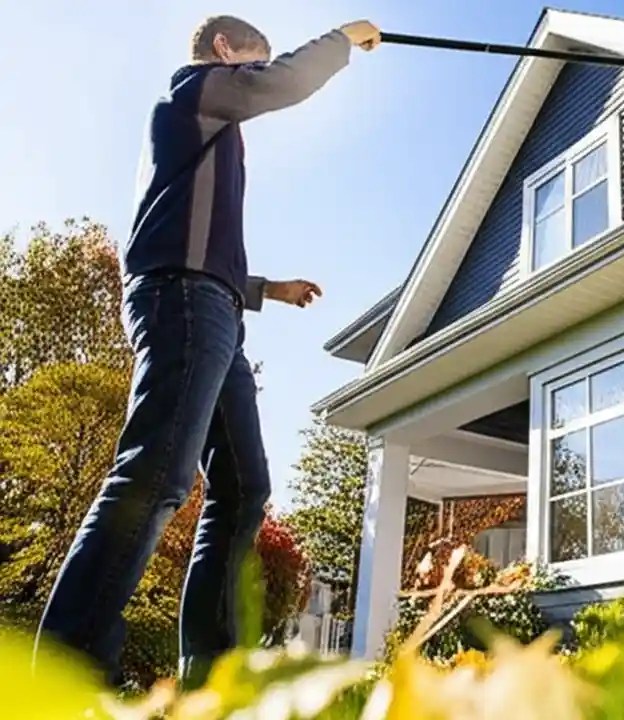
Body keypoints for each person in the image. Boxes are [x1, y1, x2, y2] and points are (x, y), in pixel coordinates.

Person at [34, 16, 382, 688]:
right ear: (226, 52)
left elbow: (189, 233)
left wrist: (263, 288)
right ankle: (65, 676)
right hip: (185, 304)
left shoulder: (207, 132)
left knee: (245, 486)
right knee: (156, 474)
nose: (258, 74)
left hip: (215, 308)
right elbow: (282, 85)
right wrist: (344, 38)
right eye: (255, 60)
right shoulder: (195, 90)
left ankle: (209, 673)